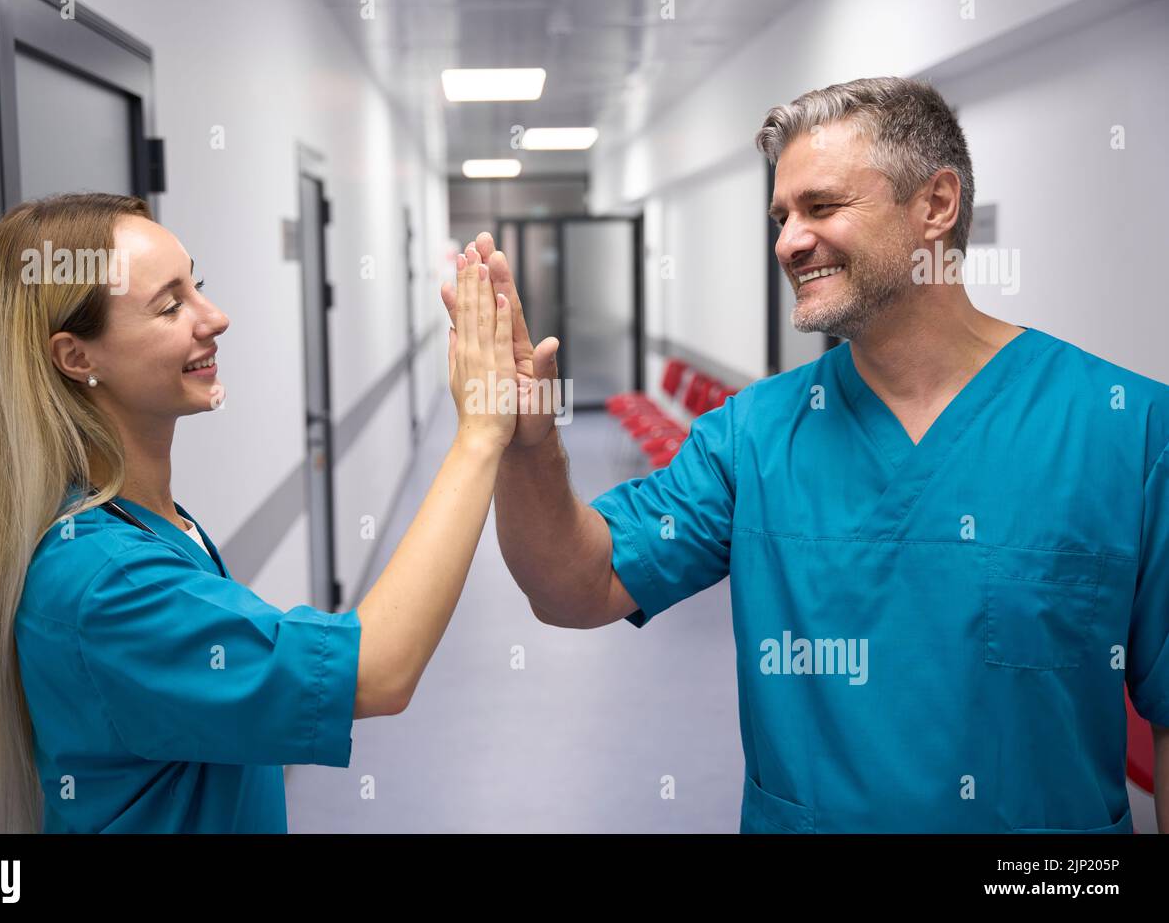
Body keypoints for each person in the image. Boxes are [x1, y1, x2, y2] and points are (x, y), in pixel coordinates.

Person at [452, 77, 1169, 833]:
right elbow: (575, 587)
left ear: (937, 205)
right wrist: (527, 447)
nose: (788, 241)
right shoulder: (753, 436)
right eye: (782, 216)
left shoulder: (1127, 430)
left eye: (821, 207)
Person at [0, 193, 515, 832]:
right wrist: (480, 434)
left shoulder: (153, 523)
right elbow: (377, 672)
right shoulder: (108, 581)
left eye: (196, 286)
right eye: (170, 304)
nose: (215, 317)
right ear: (78, 358)